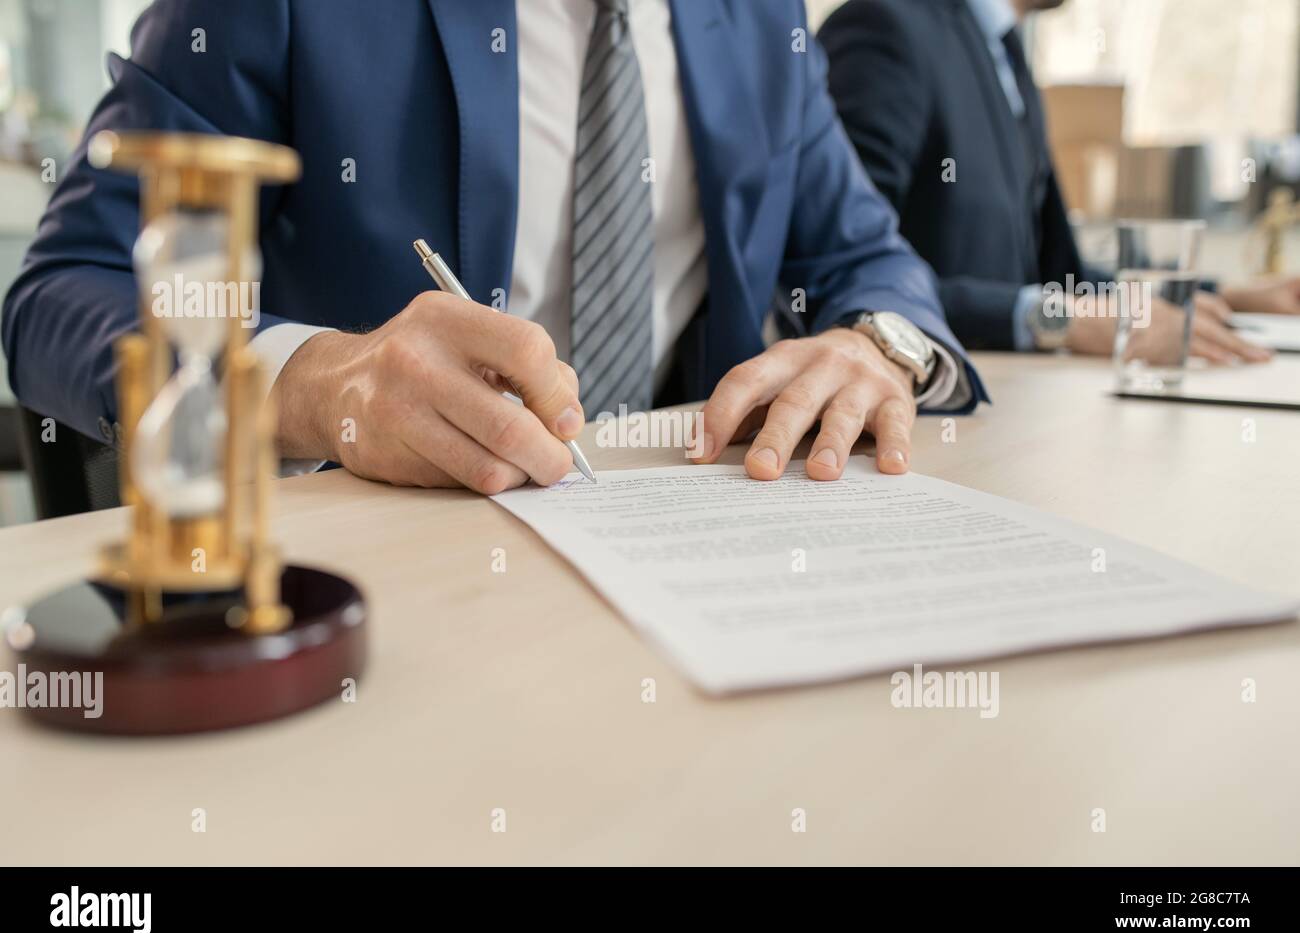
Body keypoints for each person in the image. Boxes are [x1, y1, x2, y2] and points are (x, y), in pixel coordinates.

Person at [2, 0, 984, 495]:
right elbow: (64, 291)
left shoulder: (761, 20)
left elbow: (867, 259)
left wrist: (874, 346)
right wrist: (312, 382)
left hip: (683, 557)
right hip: (382, 588)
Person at [819, 0, 1293, 361]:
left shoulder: (1004, 55)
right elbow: (848, 271)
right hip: (926, 405)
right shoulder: (885, 27)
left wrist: (1216, 295)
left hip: (1016, 400)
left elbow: (1056, 274)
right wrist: (1057, 320)